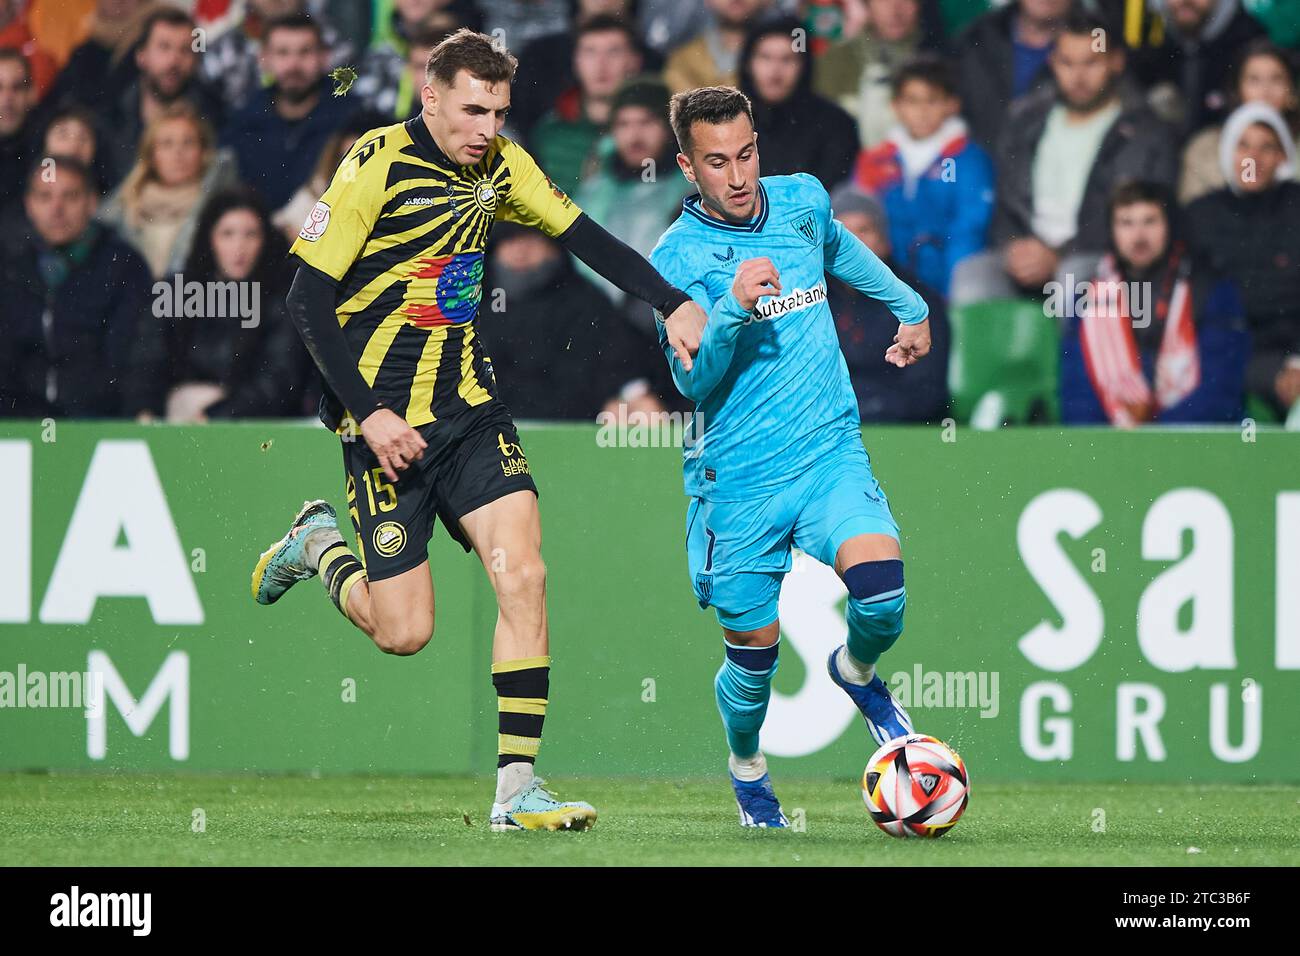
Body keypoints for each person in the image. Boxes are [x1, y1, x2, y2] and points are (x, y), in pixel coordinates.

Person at [248, 29, 708, 832]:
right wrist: (369, 410)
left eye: (497, 110)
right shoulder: (375, 162)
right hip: (378, 424)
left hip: (467, 411)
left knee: (522, 573)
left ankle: (515, 789)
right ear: (429, 97)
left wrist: (671, 301)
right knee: (405, 633)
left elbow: (587, 240)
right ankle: (318, 544)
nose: (485, 127)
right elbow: (304, 301)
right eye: (470, 110)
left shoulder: (504, 165)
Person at [649, 86, 930, 828]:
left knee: (883, 594)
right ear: (687, 167)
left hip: (827, 451)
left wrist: (910, 306)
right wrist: (733, 310)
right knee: (755, 659)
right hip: (737, 481)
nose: (738, 176)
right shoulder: (675, 260)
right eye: (717, 163)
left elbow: (836, 245)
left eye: (746, 154)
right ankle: (747, 769)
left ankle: (857, 673)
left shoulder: (801, 199)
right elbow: (691, 381)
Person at [951, 11, 1177, 306]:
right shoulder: (1024, 121)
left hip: (1097, 260)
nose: (1078, 76)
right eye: (1067, 63)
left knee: (1072, 278)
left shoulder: (1145, 133)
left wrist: (1057, 257)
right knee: (972, 278)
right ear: (1052, 62)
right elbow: (1004, 201)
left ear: (1116, 62)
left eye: (1091, 62)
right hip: (1026, 255)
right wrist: (1015, 248)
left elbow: (1140, 220)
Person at [1060, 181, 1248, 425]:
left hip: (1191, 442)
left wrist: (1153, 434)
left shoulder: (1211, 289)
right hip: (1112, 445)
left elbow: (1220, 392)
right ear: (1111, 230)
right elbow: (1078, 398)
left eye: (1150, 221)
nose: (1139, 236)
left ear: (1169, 225)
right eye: (1126, 223)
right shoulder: (1087, 299)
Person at [0, 156, 158, 418]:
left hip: (100, 419)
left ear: (92, 202)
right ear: (29, 205)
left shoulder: (124, 265)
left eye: (70, 196)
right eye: (44, 197)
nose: (56, 209)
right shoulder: (10, 267)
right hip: (19, 423)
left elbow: (137, 353)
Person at [1185, 102, 1300, 419]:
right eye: (1243, 145)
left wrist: (1296, 362)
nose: (1254, 158)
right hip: (1221, 353)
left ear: (1282, 156)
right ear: (1227, 152)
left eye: (1267, 147)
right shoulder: (1199, 215)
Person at [853, 54, 995, 296]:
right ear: (896, 106)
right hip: (886, 284)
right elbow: (857, 220)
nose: (922, 111)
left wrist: (949, 298)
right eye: (912, 101)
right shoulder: (876, 159)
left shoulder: (968, 160)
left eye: (932, 101)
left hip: (946, 285)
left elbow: (968, 231)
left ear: (952, 105)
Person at [164, 187, 311, 421]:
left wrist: (216, 414)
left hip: (254, 428)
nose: (239, 247)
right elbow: (148, 363)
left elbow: (279, 381)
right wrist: (145, 409)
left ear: (265, 239)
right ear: (209, 239)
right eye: (227, 234)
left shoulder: (285, 298)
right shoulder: (179, 292)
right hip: (182, 419)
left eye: (250, 234)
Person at [827, 183, 950, 422]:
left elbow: (928, 391)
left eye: (864, 230)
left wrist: (865, 409)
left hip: (899, 430)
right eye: (844, 233)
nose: (855, 243)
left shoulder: (916, 301)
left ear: (885, 240)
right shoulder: (810, 299)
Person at [222, 12, 355, 210]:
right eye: (283, 53)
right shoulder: (242, 123)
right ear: (264, 58)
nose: (294, 65)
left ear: (324, 57)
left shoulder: (352, 120)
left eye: (305, 52)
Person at [98, 102, 237, 279]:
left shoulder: (222, 208)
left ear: (203, 153)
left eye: (188, 142)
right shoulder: (122, 208)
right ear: (151, 156)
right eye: (167, 144)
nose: (178, 152)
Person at [737, 15, 859, 191]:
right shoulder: (725, 119)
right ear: (748, 63)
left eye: (787, 59)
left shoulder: (836, 125)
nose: (775, 72)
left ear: (804, 65)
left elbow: (829, 196)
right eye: (765, 57)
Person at [1179, 39, 1298, 203]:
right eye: (1254, 80)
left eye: (1276, 79)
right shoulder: (1204, 148)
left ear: (1291, 90)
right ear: (1237, 89)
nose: (1265, 91)